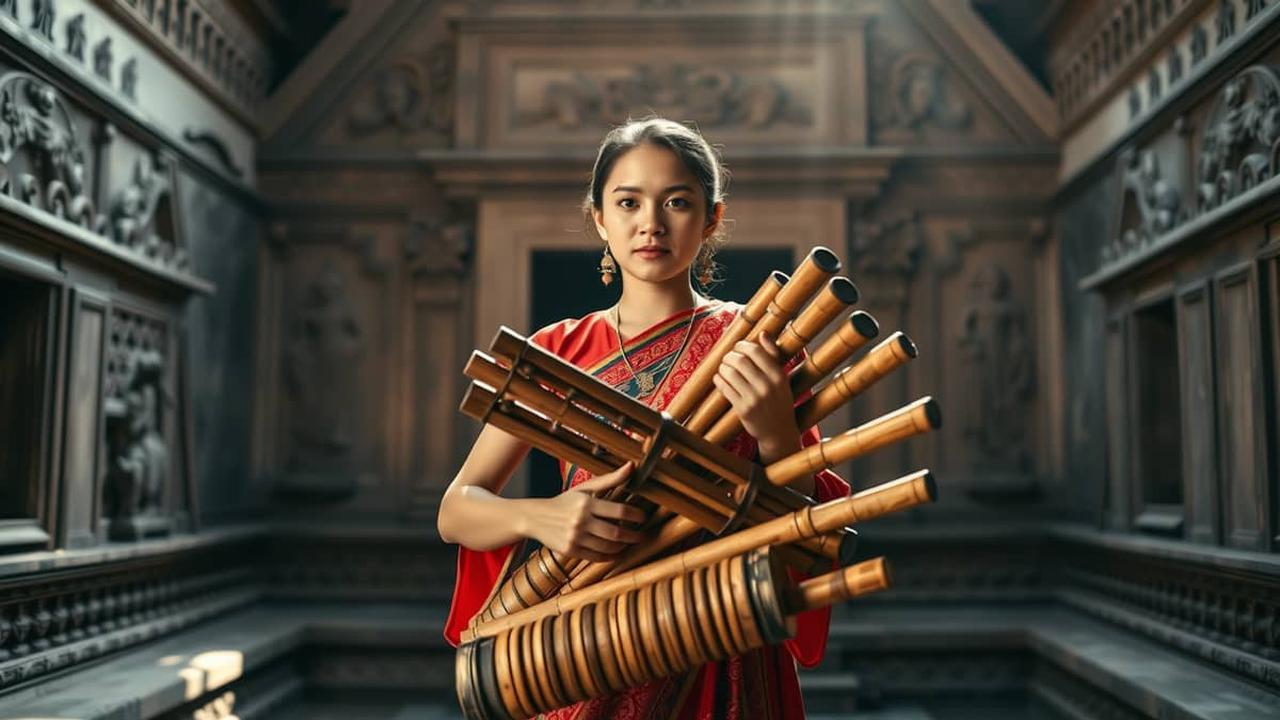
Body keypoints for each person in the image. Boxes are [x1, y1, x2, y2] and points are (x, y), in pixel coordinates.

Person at [437, 117, 849, 720]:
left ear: (710, 219)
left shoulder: (755, 339)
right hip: (589, 641)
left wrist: (777, 435)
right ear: (600, 218)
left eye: (677, 202)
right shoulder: (556, 350)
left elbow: (814, 524)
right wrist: (545, 518)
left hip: (722, 636)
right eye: (628, 202)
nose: (650, 223)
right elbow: (457, 508)